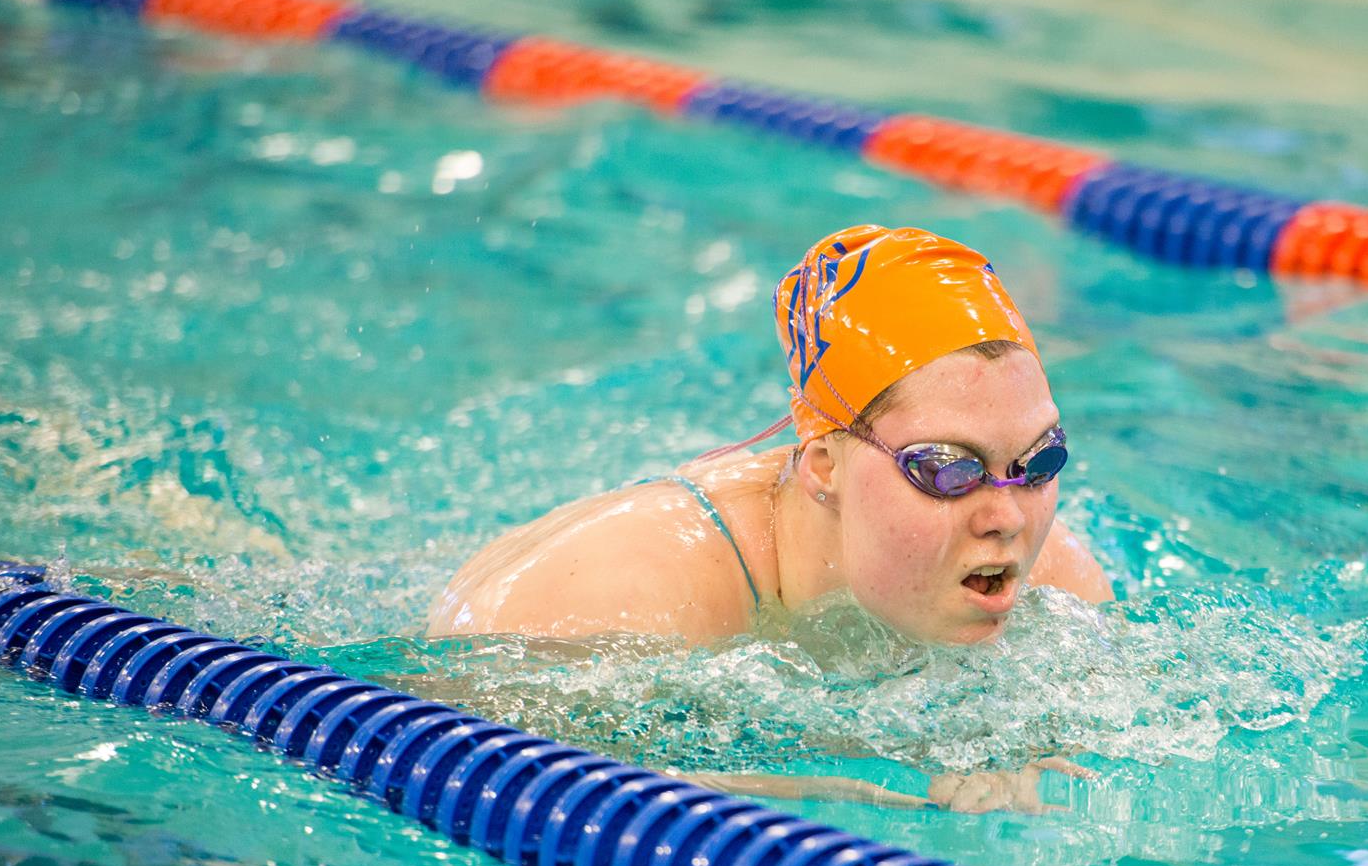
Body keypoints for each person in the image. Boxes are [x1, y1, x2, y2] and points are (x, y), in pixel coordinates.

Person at [428, 224, 1111, 646]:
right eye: (949, 471)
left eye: (1037, 463)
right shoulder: (617, 602)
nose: (1006, 518)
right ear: (822, 466)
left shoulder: (1058, 581)